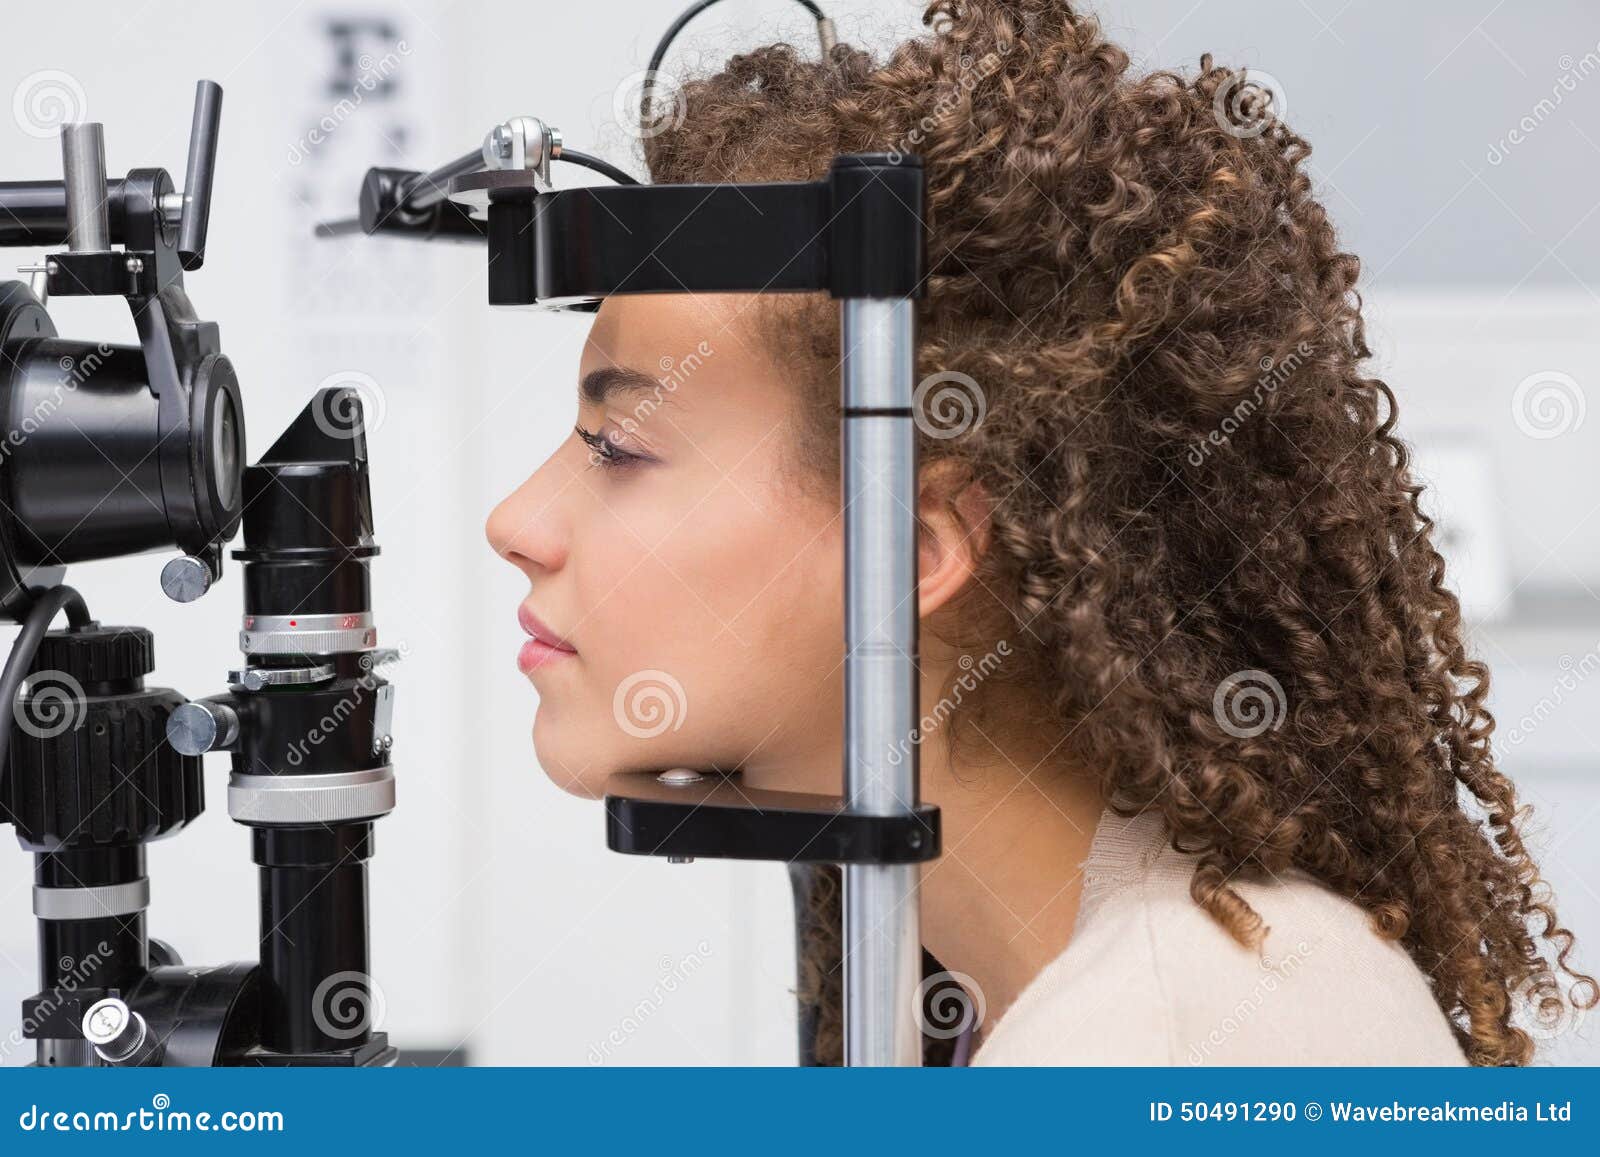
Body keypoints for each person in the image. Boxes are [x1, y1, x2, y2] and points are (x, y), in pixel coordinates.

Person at [485, 0, 1595, 1065]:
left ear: (913, 550)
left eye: (620, 446)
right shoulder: (985, 994)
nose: (516, 522)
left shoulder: (1165, 1041)